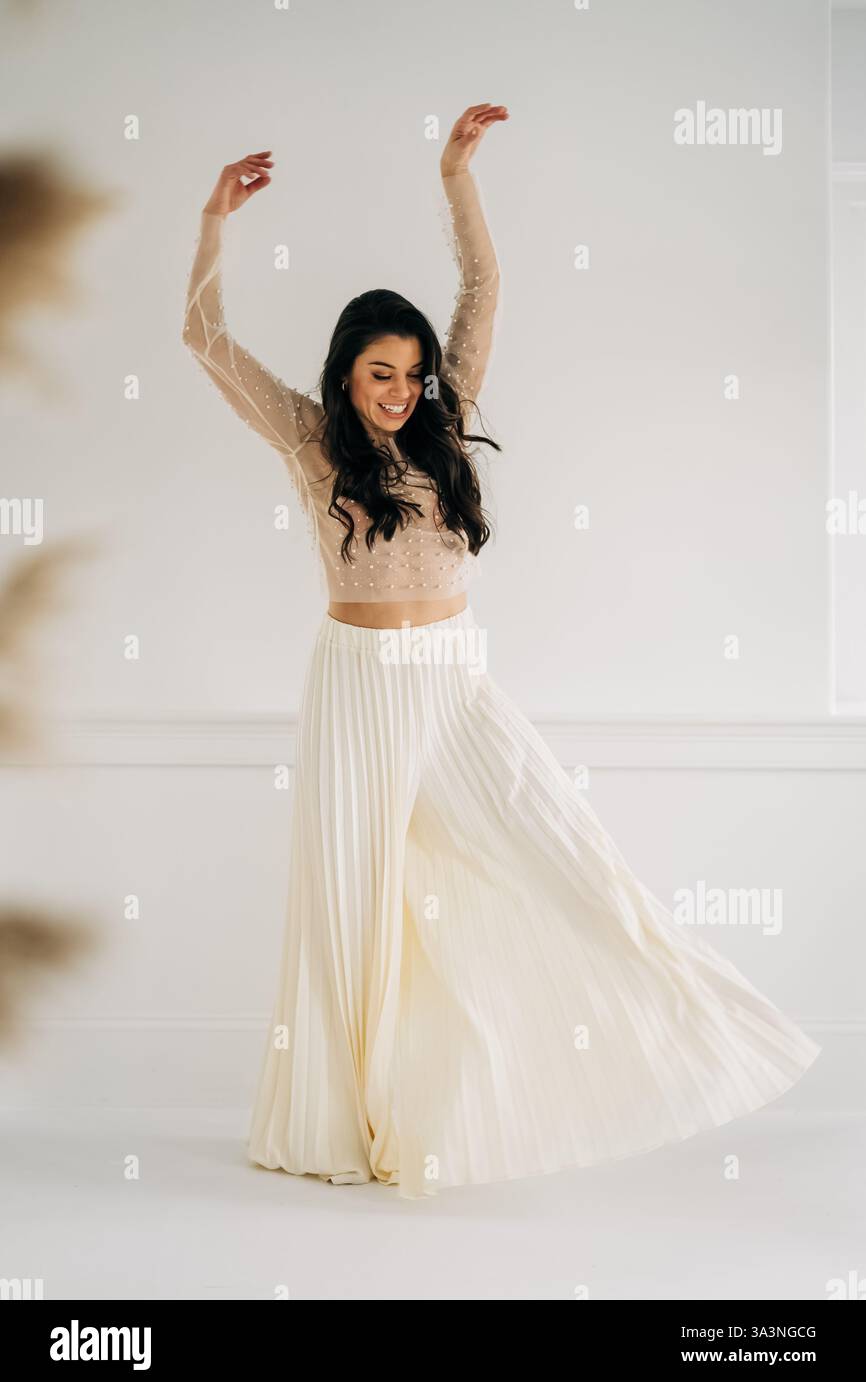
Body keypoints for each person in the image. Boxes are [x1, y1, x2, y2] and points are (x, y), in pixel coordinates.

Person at [182, 105, 820, 1199]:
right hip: (351, 695)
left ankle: (681, 1027)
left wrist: (453, 174)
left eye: (411, 374)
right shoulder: (306, 439)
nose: (398, 389)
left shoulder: (449, 410)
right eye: (378, 372)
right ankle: (342, 1124)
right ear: (344, 376)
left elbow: (482, 287)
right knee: (353, 909)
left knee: (565, 862)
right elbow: (201, 341)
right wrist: (211, 223)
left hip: (452, 689)